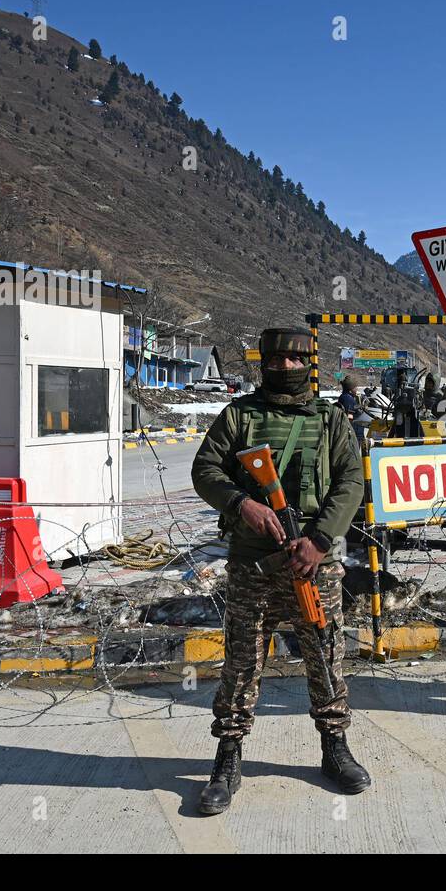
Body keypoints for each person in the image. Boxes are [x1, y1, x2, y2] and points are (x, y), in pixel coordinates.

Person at [190, 327, 368, 815]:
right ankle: (227, 758)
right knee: (242, 662)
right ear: (263, 362)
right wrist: (241, 503)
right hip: (253, 563)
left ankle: (335, 748)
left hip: (314, 563)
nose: (284, 368)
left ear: (308, 363)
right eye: (275, 359)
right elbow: (206, 469)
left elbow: (351, 482)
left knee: (325, 655)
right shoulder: (240, 416)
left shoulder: (331, 420)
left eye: (294, 360)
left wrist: (320, 540)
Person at [336, 373, 367, 444]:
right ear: (350, 389)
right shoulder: (348, 399)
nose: (357, 389)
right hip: (354, 431)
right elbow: (349, 416)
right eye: (355, 387)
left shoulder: (345, 396)